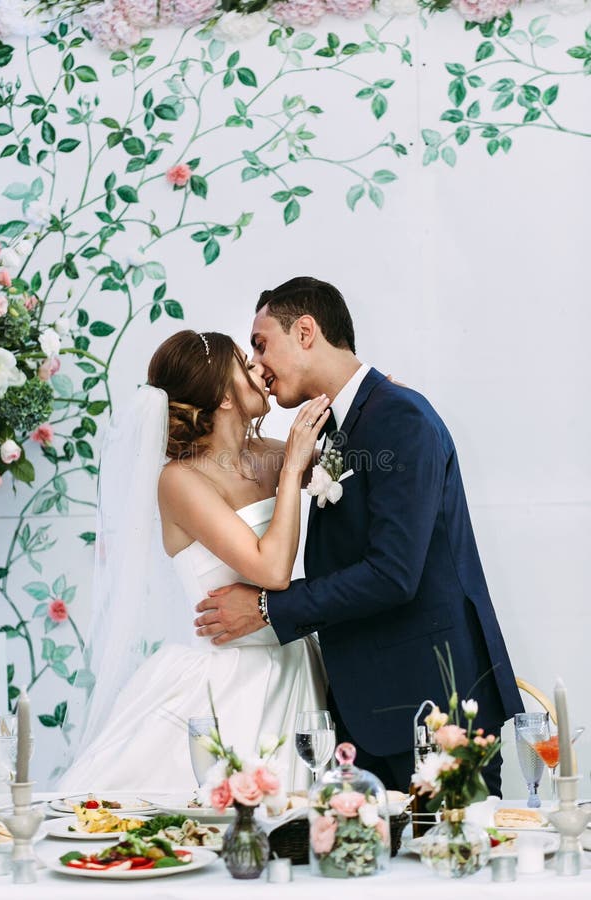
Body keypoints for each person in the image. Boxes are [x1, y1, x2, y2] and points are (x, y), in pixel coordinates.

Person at [194, 276, 524, 795]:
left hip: (434, 714)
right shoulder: (334, 427)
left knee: (451, 869)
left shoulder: (400, 417)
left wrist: (265, 609)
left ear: (305, 331)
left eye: (262, 344)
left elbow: (393, 574)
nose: (257, 364)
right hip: (367, 714)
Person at [58, 330, 329, 793]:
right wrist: (291, 472)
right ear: (224, 397)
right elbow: (271, 570)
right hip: (225, 682)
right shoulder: (179, 481)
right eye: (247, 366)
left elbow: (344, 466)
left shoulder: (269, 455)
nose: (261, 370)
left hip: (296, 664)